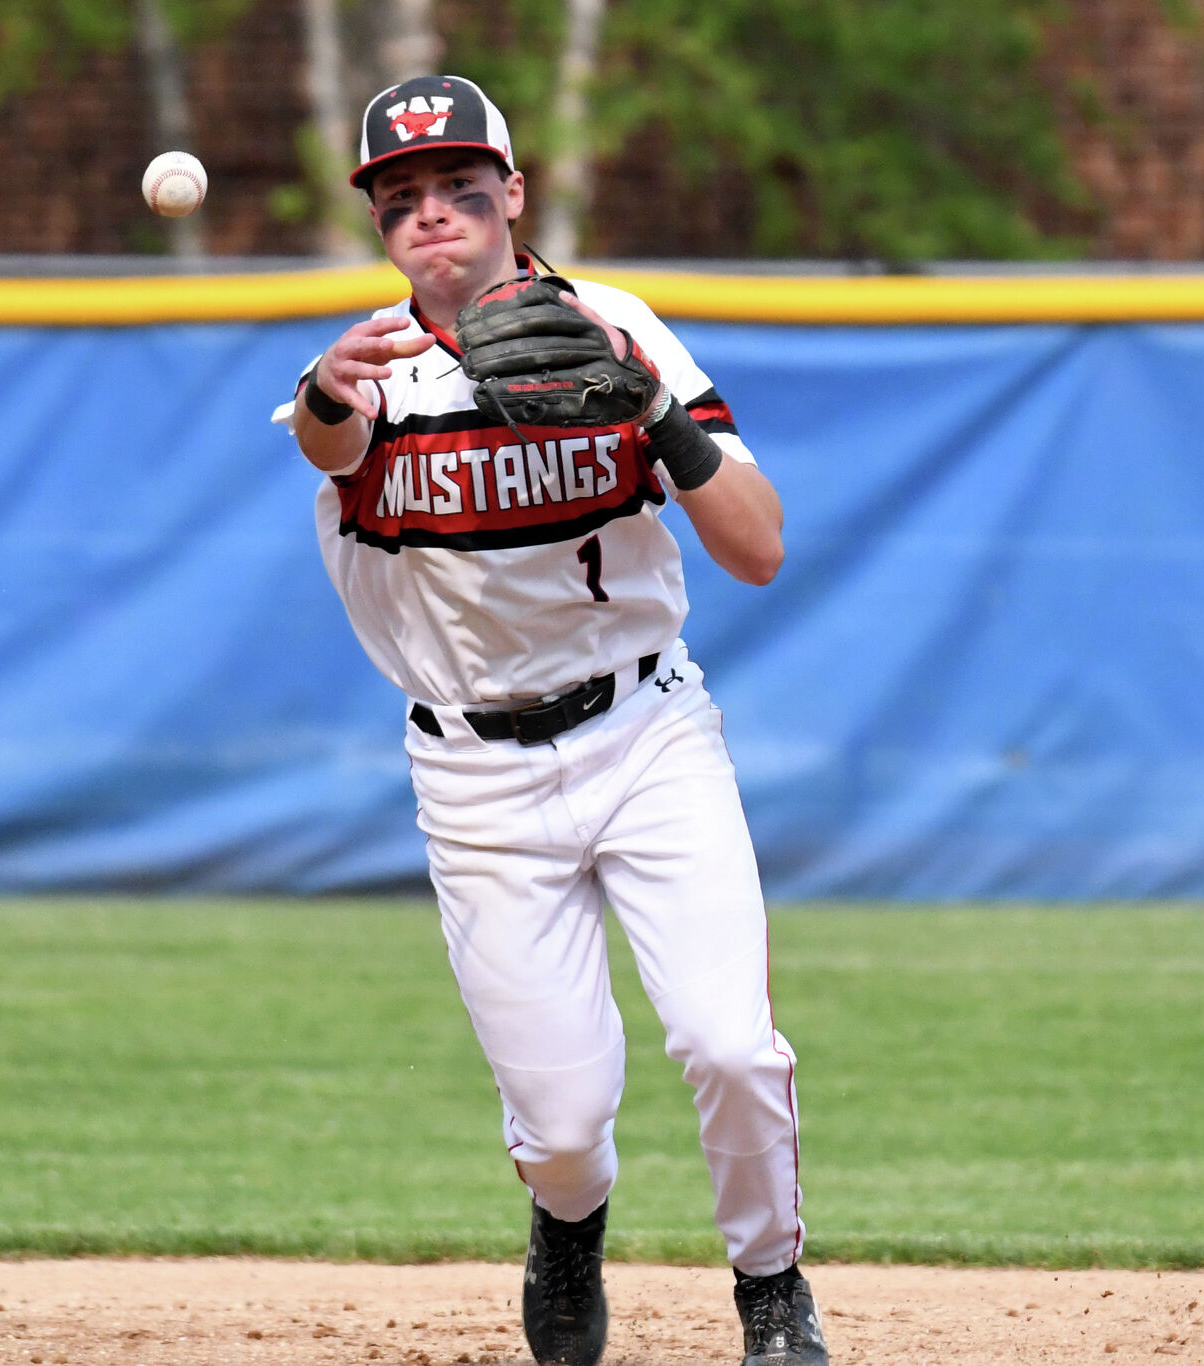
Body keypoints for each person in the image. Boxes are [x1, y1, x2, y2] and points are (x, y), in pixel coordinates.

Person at [277, 75, 828, 1366]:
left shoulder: (616, 329)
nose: (432, 214)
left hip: (648, 736)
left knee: (731, 1046)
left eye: (460, 188)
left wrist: (651, 409)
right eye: (401, 198)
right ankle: (568, 1229)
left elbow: (758, 549)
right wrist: (323, 388)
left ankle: (771, 1287)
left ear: (513, 195)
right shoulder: (364, 370)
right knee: (567, 1129)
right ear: (378, 225)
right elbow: (326, 443)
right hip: (477, 778)